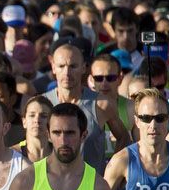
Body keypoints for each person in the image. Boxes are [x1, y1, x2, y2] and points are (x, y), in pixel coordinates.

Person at [45, 42, 129, 175]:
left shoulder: (102, 104)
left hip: (92, 188)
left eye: (73, 66)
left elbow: (123, 137)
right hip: (52, 187)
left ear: (84, 68)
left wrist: (112, 174)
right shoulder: (43, 105)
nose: (67, 72)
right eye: (61, 66)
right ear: (53, 68)